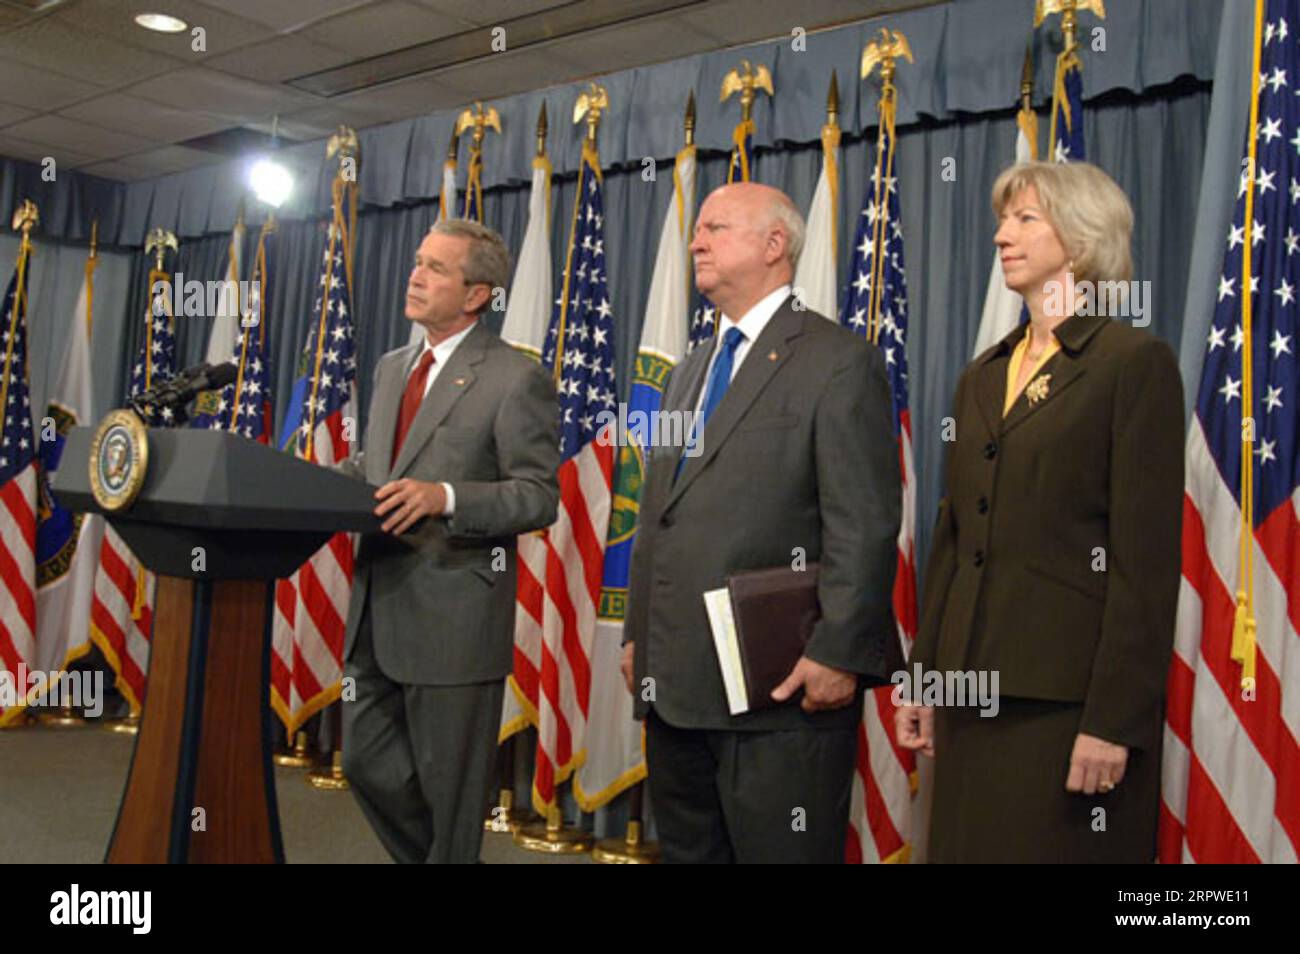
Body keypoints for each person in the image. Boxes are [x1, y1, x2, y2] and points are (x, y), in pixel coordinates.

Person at [896, 160, 1183, 863]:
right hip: (971, 698)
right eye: (1002, 219)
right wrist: (926, 675)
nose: (1002, 235)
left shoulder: (1131, 362)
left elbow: (1144, 563)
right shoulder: (983, 375)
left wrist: (1113, 721)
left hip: (1066, 708)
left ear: (1081, 241)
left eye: (1026, 219)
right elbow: (954, 539)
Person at [620, 182, 901, 863]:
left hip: (779, 694)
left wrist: (838, 649)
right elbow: (661, 512)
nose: (696, 241)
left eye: (715, 227)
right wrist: (638, 637)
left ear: (775, 245)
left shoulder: (840, 362)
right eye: (697, 229)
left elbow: (863, 525)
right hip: (677, 685)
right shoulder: (690, 370)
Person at [338, 219, 559, 863]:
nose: (415, 275)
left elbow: (538, 495)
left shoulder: (513, 377)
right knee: (365, 762)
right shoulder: (390, 368)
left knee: (451, 795)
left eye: (436, 267)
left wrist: (448, 497)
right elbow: (374, 471)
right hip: (376, 610)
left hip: (455, 621)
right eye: (417, 262)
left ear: (476, 295)